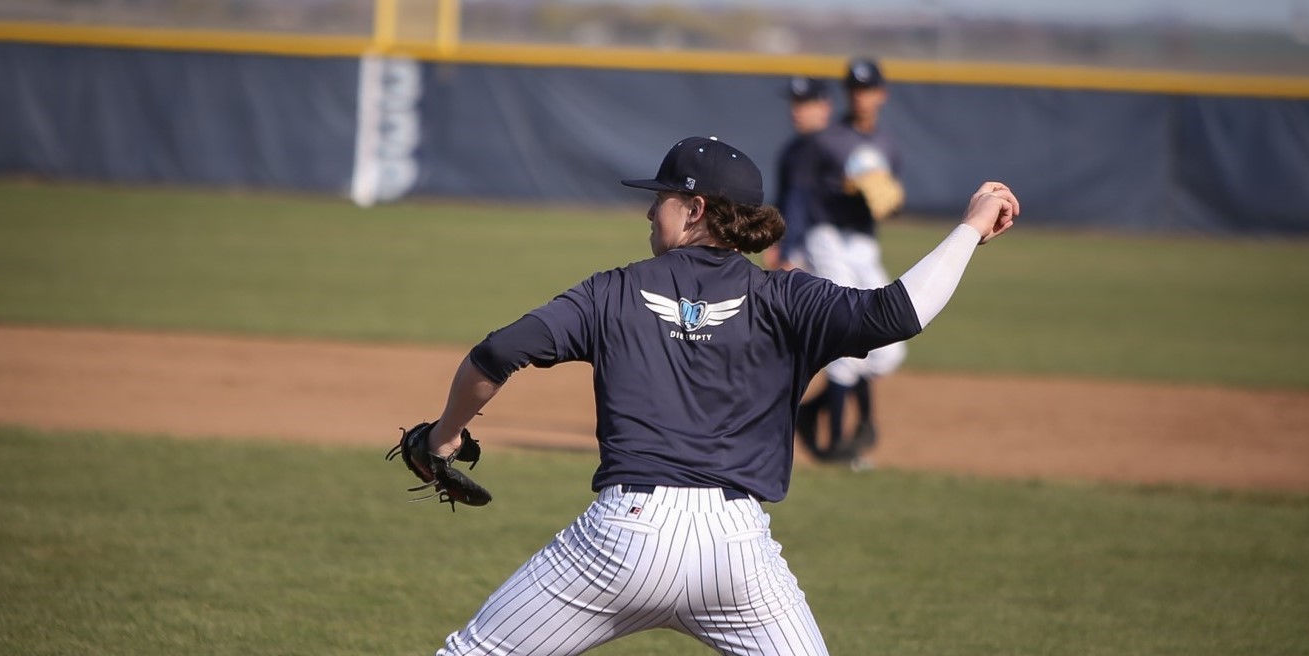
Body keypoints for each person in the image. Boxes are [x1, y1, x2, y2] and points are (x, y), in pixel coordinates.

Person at [420, 135, 1017, 655]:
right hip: (736, 555)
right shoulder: (786, 299)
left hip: (623, 541)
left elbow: (496, 353)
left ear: (696, 208)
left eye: (661, 198)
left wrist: (445, 436)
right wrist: (968, 229)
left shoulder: (612, 292)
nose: (651, 211)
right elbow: (900, 312)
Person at [796, 57, 907, 468]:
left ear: (881, 94)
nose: (860, 96)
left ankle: (815, 412)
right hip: (826, 239)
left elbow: (888, 204)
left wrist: (889, 202)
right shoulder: (827, 140)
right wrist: (790, 246)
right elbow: (802, 194)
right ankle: (841, 439)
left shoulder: (887, 144)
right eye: (854, 89)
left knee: (888, 348)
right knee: (846, 330)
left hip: (863, 243)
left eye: (867, 89)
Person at [762, 75, 832, 272]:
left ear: (824, 106)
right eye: (794, 103)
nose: (795, 111)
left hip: (835, 247)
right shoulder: (790, 152)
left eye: (804, 103)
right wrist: (780, 246)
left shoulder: (839, 147)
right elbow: (789, 204)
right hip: (799, 250)